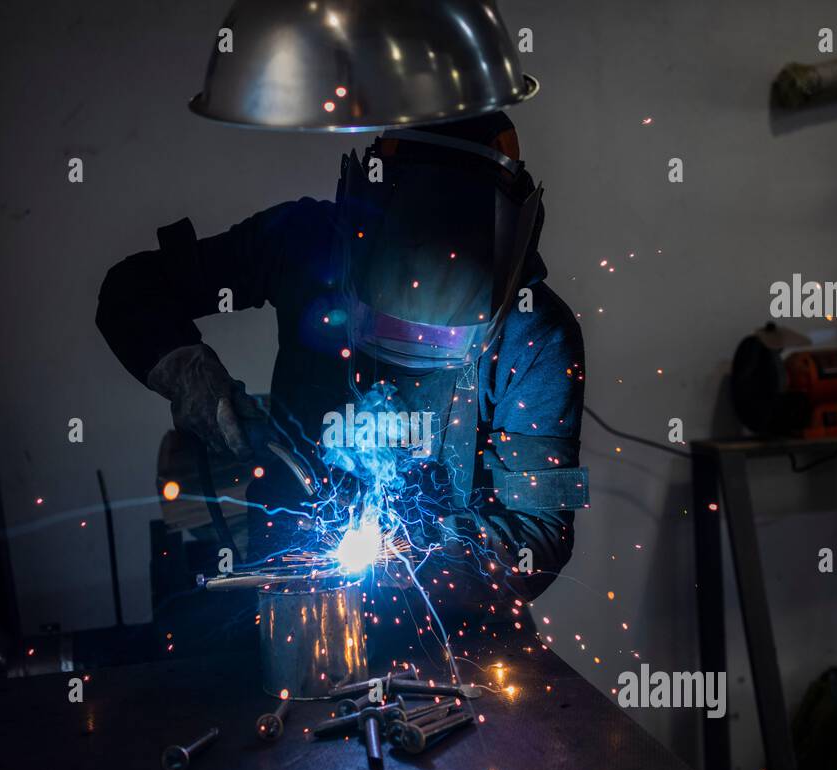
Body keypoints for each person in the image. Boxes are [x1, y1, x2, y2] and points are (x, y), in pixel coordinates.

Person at [96, 111, 586, 631]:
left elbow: (540, 536)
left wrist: (420, 553)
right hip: (295, 602)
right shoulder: (305, 243)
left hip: (459, 633)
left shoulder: (533, 331)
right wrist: (190, 374)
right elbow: (132, 291)